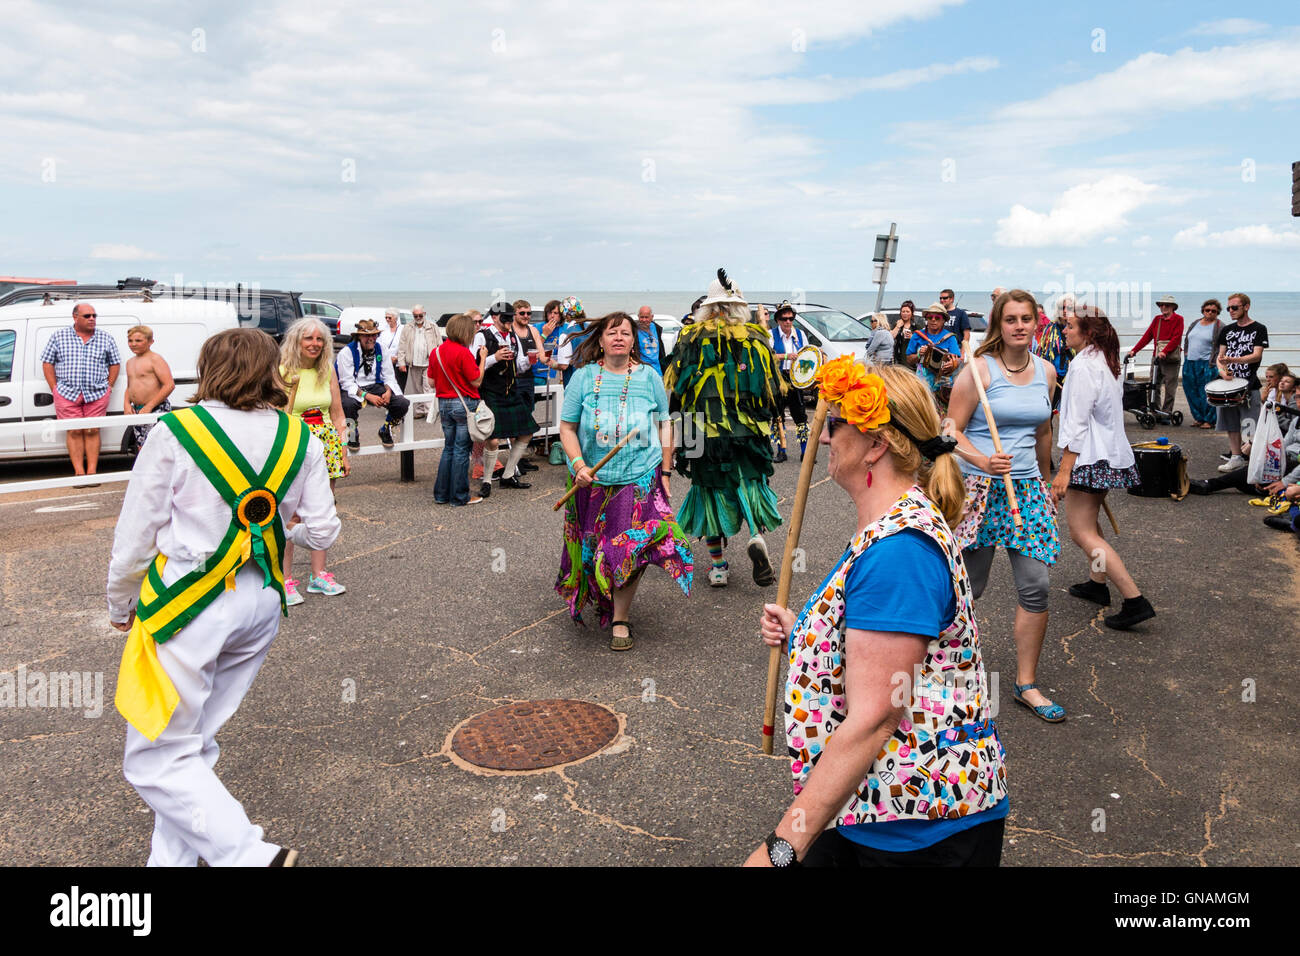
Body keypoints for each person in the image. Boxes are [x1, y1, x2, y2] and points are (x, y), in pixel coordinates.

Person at [747, 360, 1006, 868]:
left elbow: (874, 717)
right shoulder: (893, 525)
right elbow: (892, 654)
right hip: (875, 805)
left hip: (918, 827)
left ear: (875, 444)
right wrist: (808, 634)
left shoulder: (899, 551)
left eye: (837, 422)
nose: (824, 438)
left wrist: (781, 851)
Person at [108, 328, 339, 866]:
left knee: (154, 758)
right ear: (271, 372)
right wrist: (279, 531)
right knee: (190, 747)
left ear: (208, 368)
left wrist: (119, 605)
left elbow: (136, 535)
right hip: (261, 603)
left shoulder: (176, 430)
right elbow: (324, 532)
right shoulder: (297, 434)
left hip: (190, 603)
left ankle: (250, 857)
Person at [949, 290, 1064, 722]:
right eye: (1011, 319)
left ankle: (1026, 685)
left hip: (1028, 491)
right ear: (998, 324)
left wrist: (1051, 476)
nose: (1019, 326)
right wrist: (981, 459)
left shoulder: (1048, 372)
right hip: (979, 490)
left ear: (1037, 323)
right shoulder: (978, 371)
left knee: (1036, 586)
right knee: (968, 589)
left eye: (1026, 319)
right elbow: (950, 430)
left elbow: (1041, 433)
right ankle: (950, 676)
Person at [556, 312, 693, 649]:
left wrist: (665, 471)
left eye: (626, 333)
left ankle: (621, 617)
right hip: (594, 481)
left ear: (634, 341)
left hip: (641, 477)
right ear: (600, 340)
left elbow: (665, 425)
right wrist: (578, 465)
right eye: (612, 332)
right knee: (597, 553)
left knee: (633, 547)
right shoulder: (585, 377)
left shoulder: (649, 377)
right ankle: (603, 596)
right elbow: (567, 427)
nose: (619, 337)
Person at [665, 270, 784, 588]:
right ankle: (756, 536)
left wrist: (682, 441)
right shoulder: (757, 338)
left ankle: (718, 567)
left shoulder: (690, 338)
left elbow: (678, 392)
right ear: (739, 307)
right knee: (749, 485)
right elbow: (770, 390)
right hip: (747, 431)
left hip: (701, 432)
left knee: (708, 495)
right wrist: (767, 427)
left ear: (707, 308)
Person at [1051, 306, 1154, 630]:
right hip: (1106, 453)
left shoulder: (1083, 366)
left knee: (1081, 532)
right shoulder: (1106, 359)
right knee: (1091, 525)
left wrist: (1064, 470)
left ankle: (1134, 600)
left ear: (1087, 332)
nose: (1063, 331)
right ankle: (1097, 584)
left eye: (1069, 326)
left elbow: (1077, 422)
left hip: (1087, 456)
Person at [279, 317, 350, 603]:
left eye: (319, 339)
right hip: (294, 443)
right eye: (308, 338)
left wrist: (343, 449)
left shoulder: (326, 370)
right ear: (296, 341)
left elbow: (338, 413)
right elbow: (278, 413)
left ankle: (318, 575)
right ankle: (283, 580)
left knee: (322, 512)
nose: (315, 344)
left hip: (326, 445)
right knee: (291, 513)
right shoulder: (283, 371)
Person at [40, 302, 122, 481]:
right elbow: (47, 362)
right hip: (66, 392)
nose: (92, 319)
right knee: (74, 431)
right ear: (75, 317)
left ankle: (92, 473)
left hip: (97, 393)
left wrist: (109, 387)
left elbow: (115, 363)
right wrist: (54, 388)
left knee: (92, 430)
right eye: (87, 316)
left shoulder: (105, 338)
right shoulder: (59, 336)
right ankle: (79, 473)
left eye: (94, 315)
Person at [473, 301, 538, 490]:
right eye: (505, 318)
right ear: (494, 317)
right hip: (490, 392)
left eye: (511, 317)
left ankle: (508, 476)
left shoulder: (512, 336)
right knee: (492, 439)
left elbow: (517, 365)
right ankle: (486, 481)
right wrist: (495, 358)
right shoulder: (482, 336)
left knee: (527, 432)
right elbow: (473, 367)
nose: (509, 321)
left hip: (510, 390)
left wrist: (530, 361)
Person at [430, 314, 489, 505]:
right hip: (464, 403)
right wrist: (482, 360)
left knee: (448, 448)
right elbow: (476, 381)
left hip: (444, 403)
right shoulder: (463, 353)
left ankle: (441, 494)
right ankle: (459, 496)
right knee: (462, 450)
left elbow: (431, 381)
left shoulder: (436, 351)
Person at [1214, 293, 1269, 473]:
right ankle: (1236, 458)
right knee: (1230, 423)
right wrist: (1222, 372)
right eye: (1229, 308)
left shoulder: (1259, 328)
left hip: (1249, 384)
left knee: (1249, 424)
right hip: (1228, 385)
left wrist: (1234, 360)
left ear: (1246, 307)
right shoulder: (1227, 330)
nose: (1230, 311)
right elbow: (1219, 358)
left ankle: (1253, 460)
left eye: (1234, 308)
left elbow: (1256, 355)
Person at [336, 317, 410, 451]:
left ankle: (386, 429)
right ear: (359, 337)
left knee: (402, 403)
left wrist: (388, 391)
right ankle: (352, 433)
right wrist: (367, 396)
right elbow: (346, 382)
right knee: (347, 404)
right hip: (353, 386)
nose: (371, 339)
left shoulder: (381, 349)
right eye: (366, 336)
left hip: (374, 385)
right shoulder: (346, 353)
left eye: (373, 335)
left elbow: (388, 375)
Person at [1127, 295, 1183, 418]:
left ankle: (1167, 412)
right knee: (1153, 385)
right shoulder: (1157, 319)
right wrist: (1134, 350)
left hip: (1171, 358)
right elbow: (1147, 336)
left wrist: (1165, 351)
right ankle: (1155, 411)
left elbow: (1176, 338)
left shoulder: (1179, 319)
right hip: (1156, 358)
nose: (1163, 307)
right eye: (1161, 305)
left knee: (1170, 387)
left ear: (1173, 307)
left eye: (1167, 305)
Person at [123, 325, 174, 451]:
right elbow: (130, 386)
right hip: (138, 410)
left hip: (156, 408)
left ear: (150, 342)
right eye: (130, 341)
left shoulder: (155, 359)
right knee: (142, 447)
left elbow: (169, 385)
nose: (133, 344)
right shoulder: (130, 362)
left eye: (138, 341)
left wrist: (149, 406)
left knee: (156, 447)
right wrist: (126, 404)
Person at [769, 302, 809, 462]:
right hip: (779, 379)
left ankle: (805, 451)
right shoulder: (771, 335)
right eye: (784, 319)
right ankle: (781, 450)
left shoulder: (800, 334)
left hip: (795, 379)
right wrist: (786, 356)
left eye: (791, 318)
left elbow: (807, 354)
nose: (788, 322)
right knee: (778, 416)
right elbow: (768, 356)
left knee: (801, 417)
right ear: (778, 320)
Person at [906, 302, 961, 414]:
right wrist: (918, 355)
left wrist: (953, 364)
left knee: (943, 417)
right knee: (923, 416)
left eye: (937, 317)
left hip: (942, 388)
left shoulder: (950, 338)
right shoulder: (917, 336)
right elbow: (908, 359)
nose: (933, 320)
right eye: (930, 317)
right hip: (922, 387)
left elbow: (958, 360)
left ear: (943, 320)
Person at [1181, 298, 1223, 428]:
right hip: (1190, 362)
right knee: (1190, 390)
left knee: (1208, 391)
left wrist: (1216, 362)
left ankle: (1209, 420)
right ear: (1203, 310)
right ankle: (1198, 417)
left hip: (1207, 364)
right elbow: (1188, 339)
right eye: (1207, 310)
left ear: (1217, 313)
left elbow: (1222, 346)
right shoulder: (1195, 323)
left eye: (1214, 311)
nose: (1210, 313)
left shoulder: (1220, 326)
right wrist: (1186, 354)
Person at [396, 305, 441, 416]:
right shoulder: (408, 327)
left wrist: (439, 361)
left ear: (424, 314)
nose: (418, 317)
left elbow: (440, 344)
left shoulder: (433, 327)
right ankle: (421, 410)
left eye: (420, 315)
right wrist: (401, 362)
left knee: (428, 387)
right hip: (414, 363)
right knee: (417, 388)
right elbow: (402, 346)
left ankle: (429, 411)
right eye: (415, 316)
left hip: (429, 363)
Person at [1033, 295, 1074, 410]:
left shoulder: (1080, 330)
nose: (1066, 311)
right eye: (1063, 308)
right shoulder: (1051, 328)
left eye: (1069, 308)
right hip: (1054, 377)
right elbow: (1042, 353)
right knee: (1049, 410)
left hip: (1072, 376)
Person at [634, 305, 667, 376]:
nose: (644, 320)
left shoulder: (656, 328)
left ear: (652, 317)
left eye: (646, 317)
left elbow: (661, 350)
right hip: (641, 369)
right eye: (641, 317)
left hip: (657, 370)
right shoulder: (634, 330)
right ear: (638, 317)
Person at [378, 309, 405, 390]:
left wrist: (397, 358)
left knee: (399, 387)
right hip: (386, 362)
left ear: (396, 318)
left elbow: (406, 346)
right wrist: (387, 358)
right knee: (387, 386)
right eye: (386, 318)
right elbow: (379, 345)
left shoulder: (403, 329)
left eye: (389, 318)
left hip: (398, 363)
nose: (387, 320)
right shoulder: (382, 330)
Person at [891, 299, 919, 365]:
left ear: (912, 313)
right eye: (903, 311)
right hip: (897, 360)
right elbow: (890, 338)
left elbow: (922, 343)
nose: (905, 314)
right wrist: (898, 326)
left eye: (907, 311)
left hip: (911, 362)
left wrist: (912, 337)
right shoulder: (896, 325)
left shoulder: (916, 327)